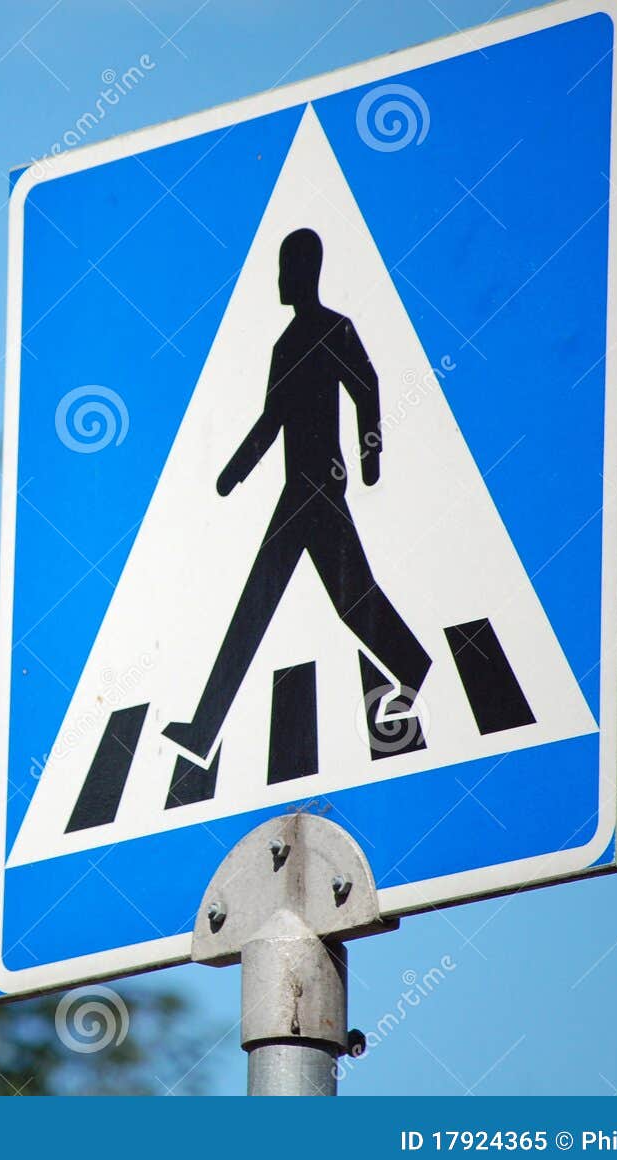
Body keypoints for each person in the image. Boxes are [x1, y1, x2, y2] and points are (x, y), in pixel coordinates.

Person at [162, 227, 431, 762]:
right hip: (298, 489)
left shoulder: (335, 328)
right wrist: (233, 472)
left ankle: (413, 667)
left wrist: (371, 458)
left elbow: (367, 386)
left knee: (341, 603)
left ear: (306, 271)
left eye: (286, 269)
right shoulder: (284, 345)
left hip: (321, 489)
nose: (280, 280)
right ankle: (203, 729)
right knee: (274, 606)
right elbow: (273, 418)